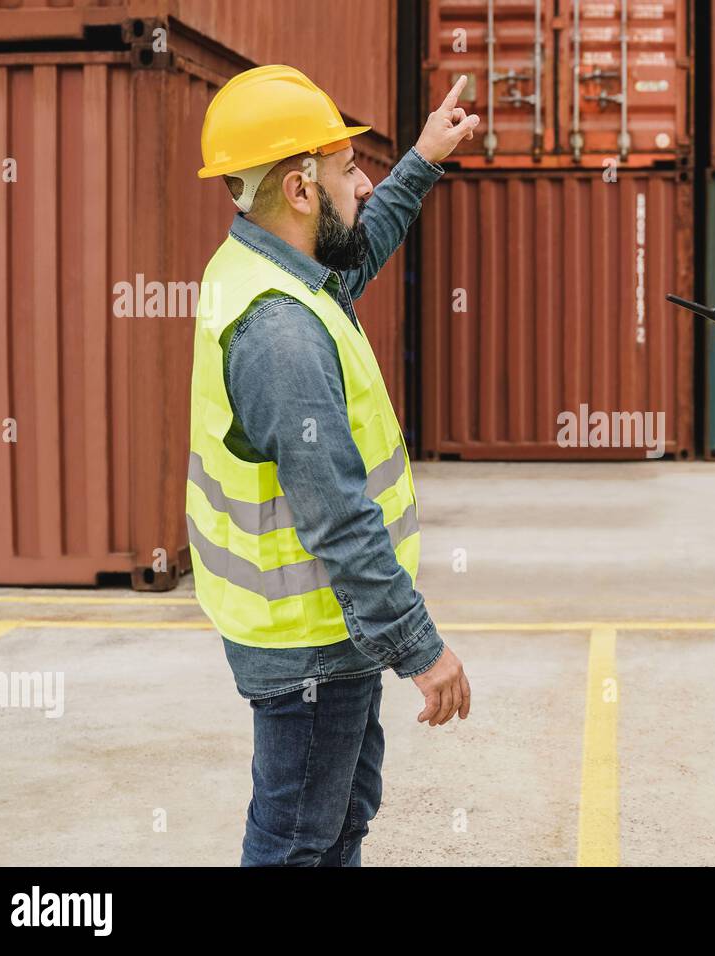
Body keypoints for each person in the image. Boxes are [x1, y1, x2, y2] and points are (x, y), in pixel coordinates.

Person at [187, 65, 478, 866]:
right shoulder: (280, 331)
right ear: (303, 189)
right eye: (351, 169)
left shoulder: (269, 268)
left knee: (337, 822)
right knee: (295, 845)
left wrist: (423, 158)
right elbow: (340, 517)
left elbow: (357, 249)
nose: (365, 181)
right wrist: (421, 650)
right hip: (306, 641)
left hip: (320, 631)